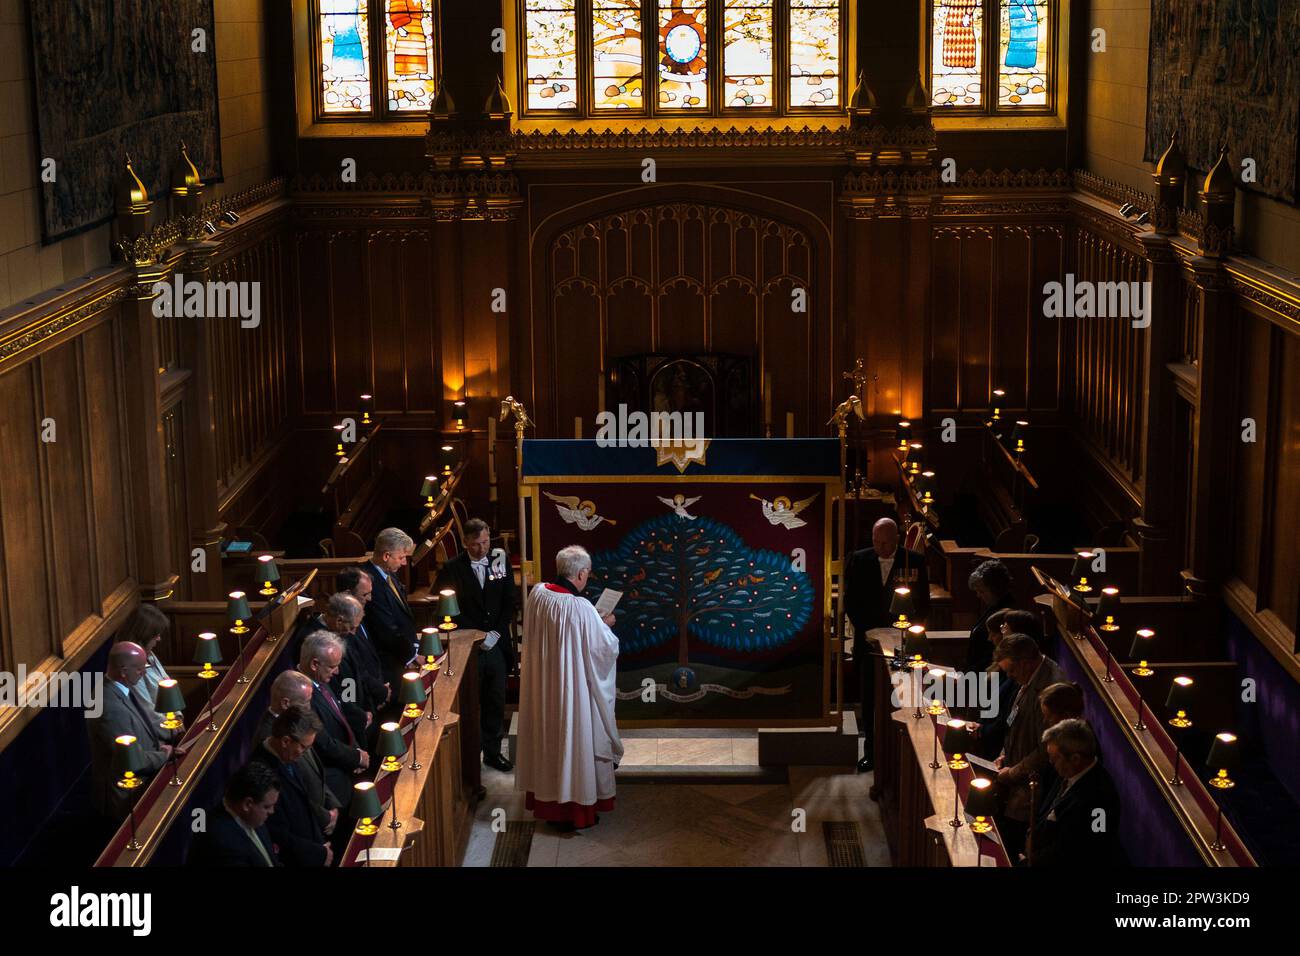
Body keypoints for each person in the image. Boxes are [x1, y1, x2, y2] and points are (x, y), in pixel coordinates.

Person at [516, 545, 622, 830]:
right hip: (571, 692)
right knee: (573, 744)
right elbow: (604, 649)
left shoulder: (538, 594)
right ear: (581, 573)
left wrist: (593, 623)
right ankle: (573, 810)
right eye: (587, 573)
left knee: (549, 746)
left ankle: (549, 805)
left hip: (544, 688)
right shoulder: (580, 607)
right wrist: (606, 624)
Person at [844, 517, 929, 772]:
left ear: (896, 540)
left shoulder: (913, 561)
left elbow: (923, 604)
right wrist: (870, 630)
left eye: (886, 543)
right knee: (869, 702)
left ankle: (897, 756)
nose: (881, 547)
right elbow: (851, 602)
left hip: (902, 646)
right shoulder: (859, 559)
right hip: (869, 644)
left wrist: (899, 631)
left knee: (900, 701)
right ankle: (870, 752)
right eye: (876, 542)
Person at [434, 517, 518, 772]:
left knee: (495, 700)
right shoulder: (451, 568)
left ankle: (492, 752)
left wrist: (496, 632)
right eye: (475, 545)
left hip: (496, 644)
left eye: (484, 543)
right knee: (471, 703)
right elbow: (448, 609)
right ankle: (470, 756)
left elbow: (509, 601)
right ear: (465, 543)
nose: (482, 549)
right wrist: (475, 634)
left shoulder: (499, 559)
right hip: (468, 648)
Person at [991, 633, 1068, 860]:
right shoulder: (1028, 677)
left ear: (1025, 663)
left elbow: (1046, 748)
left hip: (1029, 791)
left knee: (1011, 847)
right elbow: (1013, 722)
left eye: (1011, 671)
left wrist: (1013, 772)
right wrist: (1003, 754)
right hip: (1014, 775)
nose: (1010, 677)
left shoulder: (1050, 686)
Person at [86, 642, 174, 820]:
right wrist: (164, 755)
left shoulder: (120, 686)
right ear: (124, 671)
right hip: (126, 796)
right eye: (140, 669)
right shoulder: (107, 705)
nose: (143, 672)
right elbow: (131, 758)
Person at [253, 670, 341, 838]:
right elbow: (296, 790)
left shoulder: (300, 725)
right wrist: (325, 817)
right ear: (286, 703)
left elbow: (314, 770)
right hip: (307, 824)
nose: (310, 707)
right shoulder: (270, 737)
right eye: (306, 702)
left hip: (321, 812)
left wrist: (333, 805)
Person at [1029, 719, 1122, 867]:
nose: (1051, 763)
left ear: (1075, 759)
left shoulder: (1101, 800)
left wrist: (1032, 861)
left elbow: (1087, 850)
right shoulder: (1069, 771)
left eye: (1055, 759)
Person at [249, 707, 334, 867]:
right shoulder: (262, 772)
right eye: (303, 747)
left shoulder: (286, 756)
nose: (305, 752)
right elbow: (275, 831)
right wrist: (316, 852)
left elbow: (304, 801)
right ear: (286, 741)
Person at [298, 630, 369, 805]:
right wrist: (356, 757)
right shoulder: (302, 696)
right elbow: (323, 742)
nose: (337, 671)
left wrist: (356, 750)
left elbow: (340, 714)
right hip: (332, 783)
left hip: (345, 769)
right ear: (315, 664)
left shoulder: (321, 682)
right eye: (332, 666)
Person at [187, 762, 281, 867]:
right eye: (267, 807)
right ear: (247, 804)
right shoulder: (221, 844)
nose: (272, 811)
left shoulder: (252, 817)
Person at [363, 527, 419, 686]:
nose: (404, 562)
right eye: (401, 557)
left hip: (402, 655)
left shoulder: (389, 574)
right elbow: (386, 629)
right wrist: (412, 656)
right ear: (386, 556)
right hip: (390, 664)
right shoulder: (369, 583)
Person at [337, 567, 391, 718]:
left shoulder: (359, 613)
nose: (370, 598)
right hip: (363, 706)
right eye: (365, 594)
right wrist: (379, 693)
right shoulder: (344, 629)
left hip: (375, 694)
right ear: (348, 594)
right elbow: (353, 679)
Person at [113, 604, 175, 730]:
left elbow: (168, 683)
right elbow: (147, 712)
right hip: (157, 734)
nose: (159, 638)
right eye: (155, 634)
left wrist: (177, 717)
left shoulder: (149, 654)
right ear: (143, 635)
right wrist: (173, 730)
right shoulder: (130, 668)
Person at [965, 559, 1016, 673]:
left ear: (995, 589)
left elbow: (993, 655)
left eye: (982, 591)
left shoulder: (1007, 614)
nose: (978, 595)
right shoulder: (993, 605)